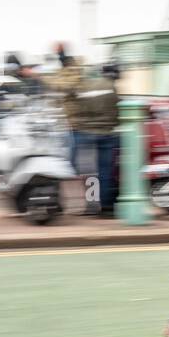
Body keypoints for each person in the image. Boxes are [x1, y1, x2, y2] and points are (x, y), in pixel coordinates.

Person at [47, 48, 119, 216]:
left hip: (86, 132)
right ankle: (106, 205)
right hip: (108, 132)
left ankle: (91, 206)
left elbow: (79, 110)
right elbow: (116, 111)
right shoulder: (110, 86)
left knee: (88, 172)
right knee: (105, 171)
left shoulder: (83, 86)